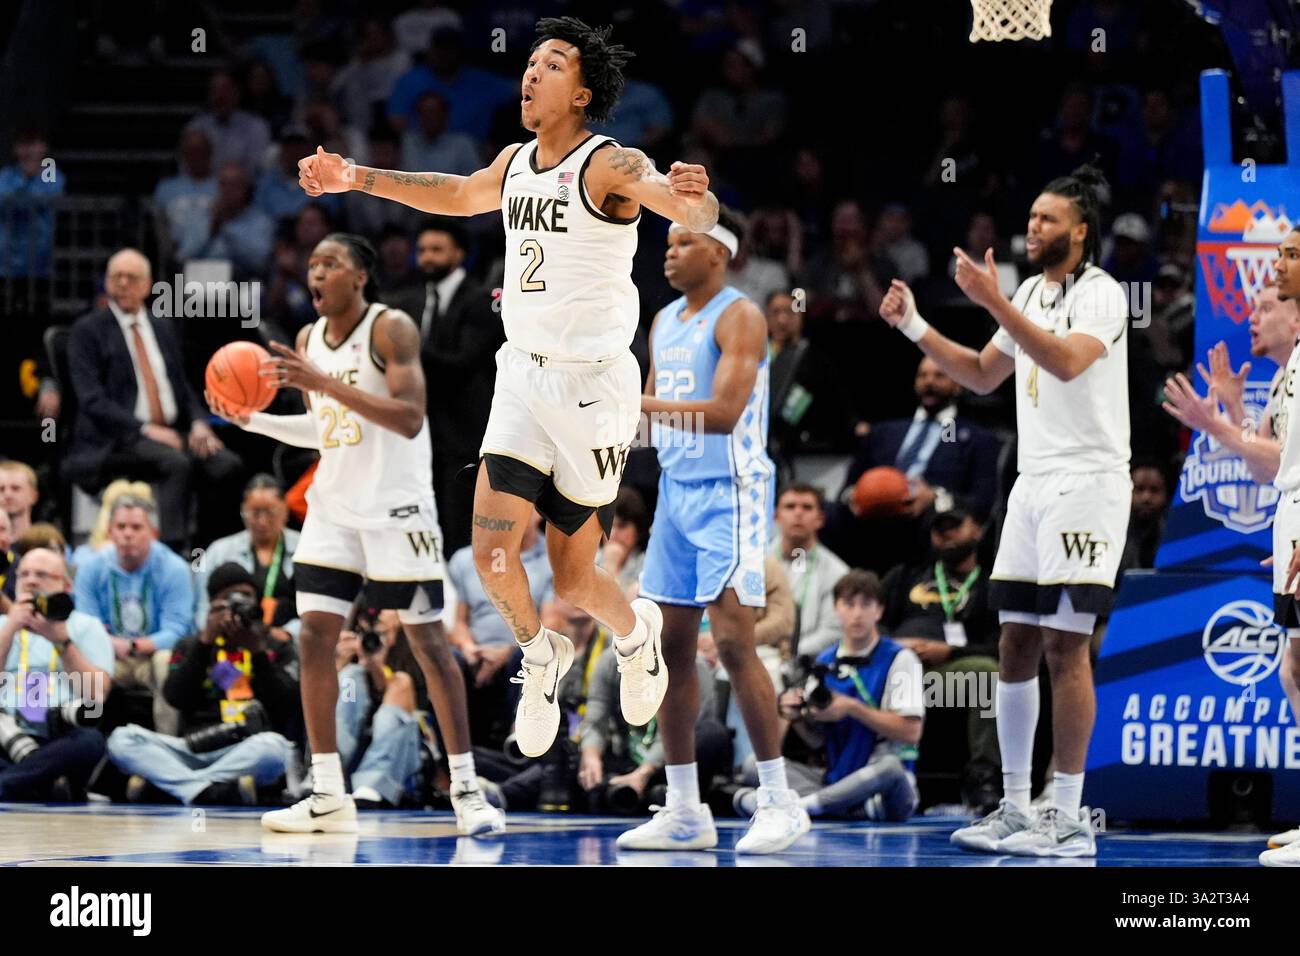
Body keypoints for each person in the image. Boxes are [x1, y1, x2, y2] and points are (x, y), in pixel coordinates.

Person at [298, 17, 722, 765]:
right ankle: (539, 653)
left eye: (551, 64)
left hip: (593, 387)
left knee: (572, 571)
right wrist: (357, 176)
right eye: (528, 63)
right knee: (492, 555)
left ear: (582, 91)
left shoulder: (608, 163)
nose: (530, 73)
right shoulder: (515, 162)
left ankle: (634, 636)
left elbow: (687, 210)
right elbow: (458, 193)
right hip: (523, 374)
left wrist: (695, 201)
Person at [208, 232, 502, 837]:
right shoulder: (309, 340)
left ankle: (468, 790)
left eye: (330, 263)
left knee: (428, 647)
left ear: (360, 276)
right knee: (315, 637)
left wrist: (325, 384)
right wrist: (253, 418)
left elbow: (408, 416)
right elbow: (327, 430)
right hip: (334, 509)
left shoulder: (390, 328)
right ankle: (326, 791)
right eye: (311, 263)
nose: (316, 273)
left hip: (397, 510)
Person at [880, 165, 1129, 857]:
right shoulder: (1026, 292)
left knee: (1064, 644)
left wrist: (995, 303)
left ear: (1080, 230)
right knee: (1015, 641)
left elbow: (1066, 362)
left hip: (1087, 484)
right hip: (1033, 482)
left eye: (1047, 219)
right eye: (1031, 218)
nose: (1033, 228)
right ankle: (1016, 808)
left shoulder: (1102, 295)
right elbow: (984, 373)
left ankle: (1072, 819)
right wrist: (915, 326)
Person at [617, 207, 810, 854]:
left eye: (684, 241)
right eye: (667, 242)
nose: (669, 252)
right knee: (669, 648)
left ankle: (782, 801)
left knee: (732, 642)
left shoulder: (741, 314)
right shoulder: (663, 319)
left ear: (720, 254)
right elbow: (644, 424)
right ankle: (683, 808)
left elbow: (726, 414)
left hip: (732, 492)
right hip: (675, 492)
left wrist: (635, 404)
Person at [65, 248, 244, 551]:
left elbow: (183, 387)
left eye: (131, 278)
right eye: (116, 277)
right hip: (117, 436)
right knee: (176, 463)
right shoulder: (87, 331)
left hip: (173, 430)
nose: (122, 283)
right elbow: (92, 400)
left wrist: (200, 422)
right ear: (107, 283)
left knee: (227, 464)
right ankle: (171, 551)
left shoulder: (162, 326)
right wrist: (146, 430)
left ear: (147, 285)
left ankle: (210, 549)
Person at [735, 570, 924, 822]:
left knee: (891, 768)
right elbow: (817, 742)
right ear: (836, 608)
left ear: (878, 611)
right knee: (754, 765)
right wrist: (798, 717)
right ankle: (842, 808)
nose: (857, 614)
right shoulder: (824, 661)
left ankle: (800, 808)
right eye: (849, 604)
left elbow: (911, 732)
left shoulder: (901, 658)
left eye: (866, 605)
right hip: (837, 779)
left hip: (882, 782)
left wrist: (852, 708)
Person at [107, 563, 298, 805]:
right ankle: (211, 789)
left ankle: (178, 786)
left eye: (246, 598)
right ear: (211, 606)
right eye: (227, 600)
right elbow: (175, 697)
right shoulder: (190, 645)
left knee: (276, 748)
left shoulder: (274, 645)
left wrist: (257, 651)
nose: (237, 608)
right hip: (191, 747)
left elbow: (287, 705)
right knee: (122, 740)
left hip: (247, 747)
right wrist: (205, 643)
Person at [388, 218, 504, 555]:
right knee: (423, 522)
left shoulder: (482, 301)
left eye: (436, 250)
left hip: (464, 434)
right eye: (422, 250)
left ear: (459, 254)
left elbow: (463, 362)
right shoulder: (409, 301)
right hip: (420, 434)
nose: (427, 258)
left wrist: (406, 349)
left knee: (458, 528)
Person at [826, 356, 1001, 572]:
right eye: (923, 375)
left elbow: (982, 502)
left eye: (939, 375)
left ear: (957, 385)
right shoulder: (884, 432)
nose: (929, 381)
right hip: (874, 517)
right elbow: (848, 487)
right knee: (826, 513)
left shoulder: (972, 438)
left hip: (928, 520)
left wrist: (935, 496)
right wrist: (856, 496)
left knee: (937, 521)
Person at [880, 507, 1001, 811]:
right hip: (898, 669)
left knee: (988, 675)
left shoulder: (990, 584)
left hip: (947, 678)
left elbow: (1000, 646)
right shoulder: (905, 575)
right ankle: (864, 769)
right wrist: (894, 645)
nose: (946, 534)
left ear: (977, 529)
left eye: (955, 526)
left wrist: (950, 652)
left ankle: (983, 778)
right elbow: (874, 619)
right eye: (939, 529)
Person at [1242, 232, 1300, 866]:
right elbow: (1278, 464)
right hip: (1292, 515)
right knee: (1294, 671)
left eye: (1289, 255)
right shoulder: (1293, 364)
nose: (1277, 264)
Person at [73, 495, 193, 734]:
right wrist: (110, 644)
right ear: (109, 532)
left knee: (165, 662)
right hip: (109, 656)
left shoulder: (174, 568)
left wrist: (135, 646)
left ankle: (167, 744)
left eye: (137, 527)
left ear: (154, 533)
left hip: (150, 655)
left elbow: (179, 629)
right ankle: (84, 742)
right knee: (75, 659)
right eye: (121, 527)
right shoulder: (90, 569)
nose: (128, 534)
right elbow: (84, 624)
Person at [0, 548, 114, 800]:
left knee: (90, 741)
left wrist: (62, 642)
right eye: (24, 574)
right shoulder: (2, 625)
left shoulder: (85, 626)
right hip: (7, 731)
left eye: (42, 574)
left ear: (66, 585)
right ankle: (38, 784)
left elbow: (96, 694)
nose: (31, 581)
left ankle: (12, 785)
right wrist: (10, 629)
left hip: (59, 730)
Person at [445, 510, 554, 747]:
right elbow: (458, 622)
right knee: (448, 658)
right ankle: (448, 749)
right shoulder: (465, 559)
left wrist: (507, 652)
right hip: (475, 653)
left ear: (539, 513)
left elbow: (550, 624)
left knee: (527, 654)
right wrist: (469, 648)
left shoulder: (552, 559)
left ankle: (521, 742)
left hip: (522, 650)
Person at [194, 474, 301, 644]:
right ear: (243, 511)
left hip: (287, 643)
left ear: (285, 511)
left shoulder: (305, 549)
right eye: (255, 513)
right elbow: (202, 608)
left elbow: (316, 614)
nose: (262, 521)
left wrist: (289, 634)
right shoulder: (219, 551)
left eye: (270, 512)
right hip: (230, 638)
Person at [771, 483, 849, 657]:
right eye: (790, 507)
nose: (798, 513)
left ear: (820, 519)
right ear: (776, 516)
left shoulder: (837, 572)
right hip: (753, 654)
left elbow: (833, 631)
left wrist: (788, 654)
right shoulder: (752, 561)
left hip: (806, 661)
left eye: (807, 507)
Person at [0, 460, 40, 539]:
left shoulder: (47, 544)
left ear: (34, 496)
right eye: (1, 489)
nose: (8, 495)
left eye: (15, 488)